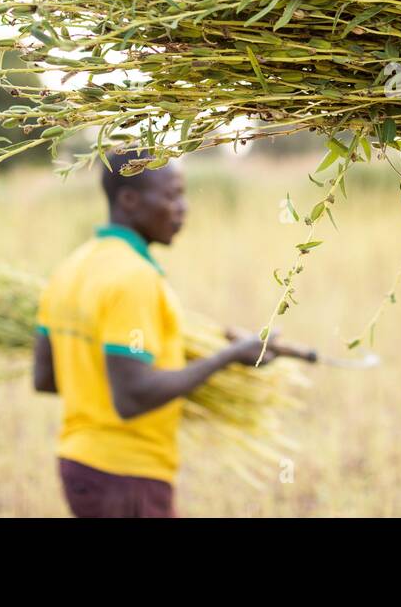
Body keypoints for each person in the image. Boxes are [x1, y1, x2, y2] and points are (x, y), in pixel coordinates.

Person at [32, 150, 276, 517]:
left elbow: (45, 378)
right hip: (125, 476)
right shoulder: (134, 279)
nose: (183, 207)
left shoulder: (72, 267)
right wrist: (228, 356)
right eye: (172, 195)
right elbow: (132, 397)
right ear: (129, 199)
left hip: (79, 466)